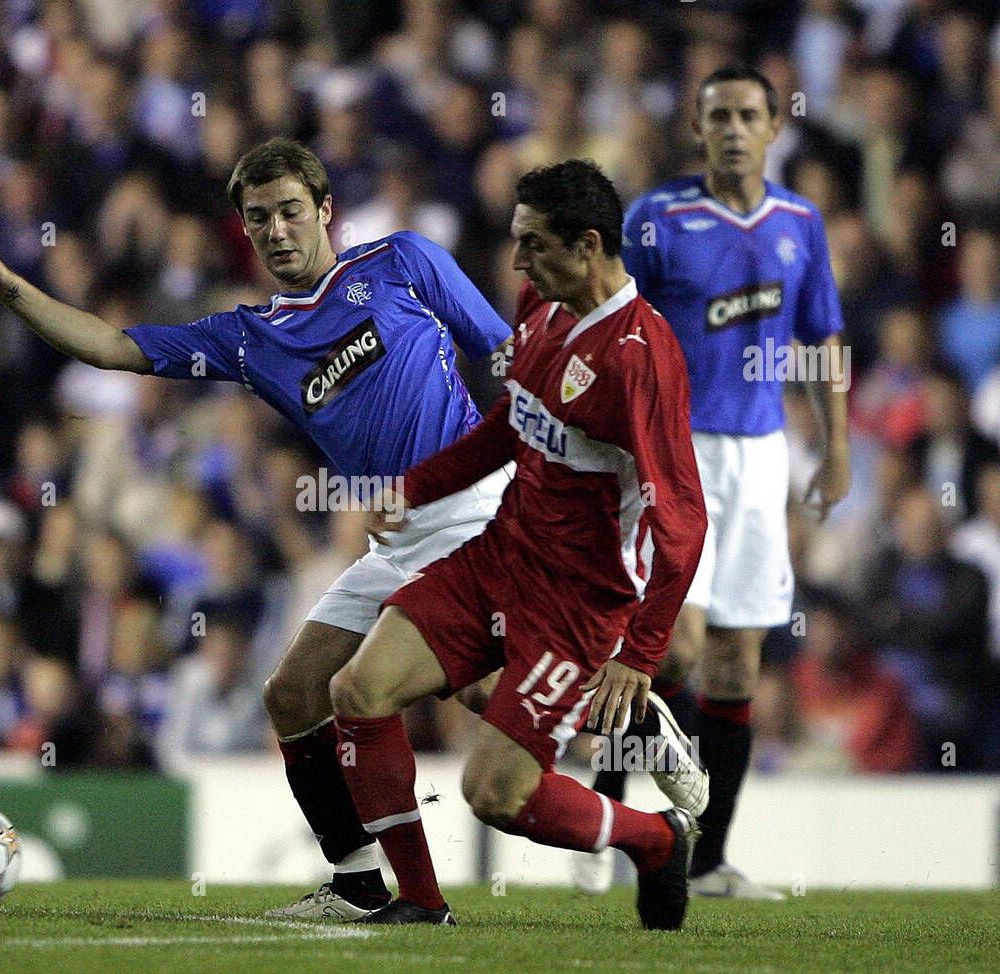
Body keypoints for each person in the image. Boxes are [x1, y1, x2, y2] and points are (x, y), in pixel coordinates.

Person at [0, 137, 512, 919]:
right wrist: (7, 284)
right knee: (293, 694)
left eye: (288, 211)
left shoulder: (405, 262)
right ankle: (357, 883)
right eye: (257, 218)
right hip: (394, 540)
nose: (276, 229)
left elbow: (506, 352)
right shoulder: (250, 338)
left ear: (324, 211)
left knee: (470, 689)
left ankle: (627, 714)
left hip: (477, 508)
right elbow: (114, 346)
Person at [332, 160, 708, 928]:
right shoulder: (542, 304)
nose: (516, 263)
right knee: (357, 692)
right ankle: (422, 901)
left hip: (576, 605)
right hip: (496, 556)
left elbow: (685, 521)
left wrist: (640, 652)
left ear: (589, 244)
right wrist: (417, 485)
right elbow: (510, 424)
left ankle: (655, 839)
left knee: (493, 794)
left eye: (533, 245)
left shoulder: (640, 357)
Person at [581, 64, 850, 898]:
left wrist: (835, 446)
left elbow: (822, 340)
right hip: (676, 448)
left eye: (748, 115)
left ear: (776, 127)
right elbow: (615, 323)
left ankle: (709, 859)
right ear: (697, 129)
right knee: (671, 646)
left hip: (762, 452)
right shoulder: (658, 219)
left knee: (736, 665)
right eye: (718, 116)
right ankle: (608, 830)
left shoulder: (801, 223)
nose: (733, 128)